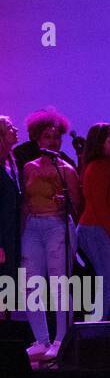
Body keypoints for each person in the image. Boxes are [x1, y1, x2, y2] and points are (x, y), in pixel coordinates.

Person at [20, 109, 83, 361]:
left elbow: (78, 206)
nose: (52, 141)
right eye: (47, 137)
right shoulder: (28, 167)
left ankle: (60, 340)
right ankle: (40, 340)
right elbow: (25, 201)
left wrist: (62, 200)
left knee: (59, 285)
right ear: (37, 138)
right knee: (30, 285)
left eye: (56, 137)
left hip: (57, 225)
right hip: (33, 227)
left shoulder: (66, 169)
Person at [77, 123, 110, 321]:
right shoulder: (98, 167)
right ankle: (96, 328)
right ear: (99, 142)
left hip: (102, 230)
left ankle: (97, 325)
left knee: (108, 281)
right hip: (96, 230)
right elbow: (98, 203)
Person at [0, 117, 24, 320]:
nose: (15, 129)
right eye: (9, 127)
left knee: (9, 285)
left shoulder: (11, 165)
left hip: (12, 234)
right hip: (3, 236)